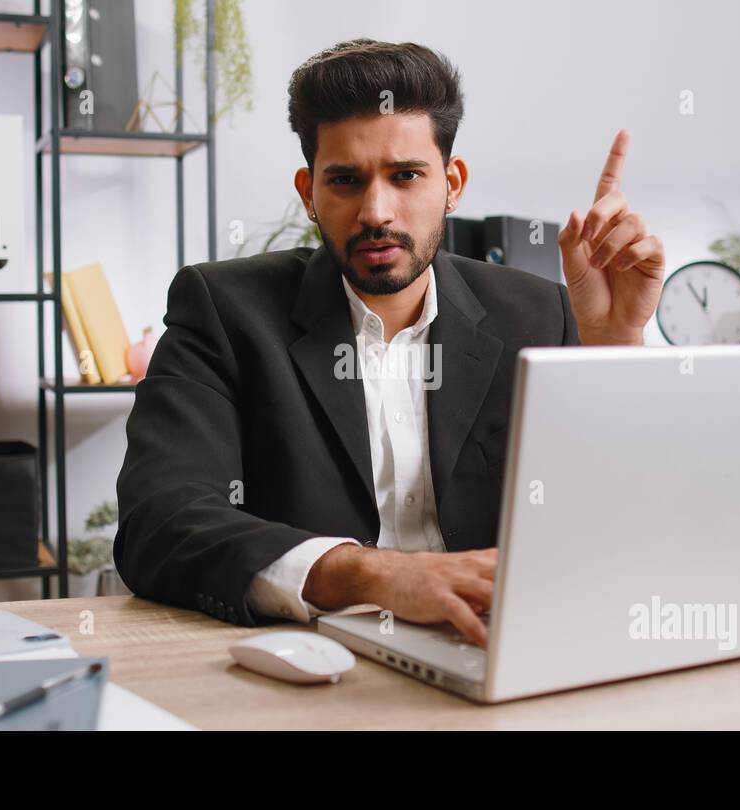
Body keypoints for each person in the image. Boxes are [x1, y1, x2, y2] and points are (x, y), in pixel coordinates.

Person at [114, 39, 664, 646]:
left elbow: (621, 531)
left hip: (498, 645)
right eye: (346, 181)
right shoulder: (224, 310)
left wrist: (618, 347)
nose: (377, 211)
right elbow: (159, 523)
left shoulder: (541, 314)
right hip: (316, 655)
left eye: (406, 176)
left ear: (453, 183)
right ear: (309, 194)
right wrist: (375, 576)